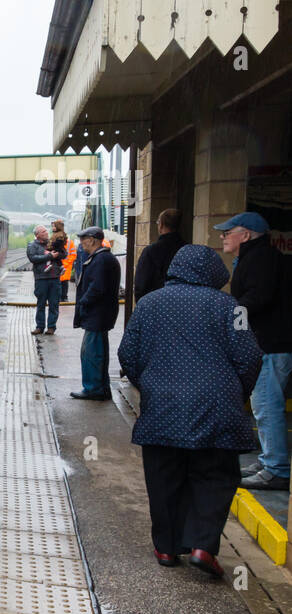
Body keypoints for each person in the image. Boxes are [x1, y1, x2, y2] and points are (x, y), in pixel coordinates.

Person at [117, 245, 263, 577]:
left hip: (162, 409)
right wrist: (237, 392)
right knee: (215, 476)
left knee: (163, 477)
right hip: (218, 408)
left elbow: (128, 353)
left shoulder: (149, 303)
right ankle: (202, 547)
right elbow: (250, 356)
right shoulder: (231, 306)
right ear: (214, 274)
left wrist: (150, 385)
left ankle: (167, 548)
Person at [218, 211, 292, 492]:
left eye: (228, 232)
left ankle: (276, 469)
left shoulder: (260, 259)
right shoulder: (255, 257)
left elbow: (256, 299)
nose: (222, 237)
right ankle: (269, 461)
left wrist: (231, 318)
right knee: (264, 406)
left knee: (266, 407)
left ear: (245, 235)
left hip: (270, 346)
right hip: (268, 344)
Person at [71, 226, 120, 400]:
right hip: (99, 315)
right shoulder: (102, 258)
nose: (81, 243)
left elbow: (97, 288)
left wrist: (83, 302)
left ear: (92, 240)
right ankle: (100, 387)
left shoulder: (101, 260)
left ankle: (94, 388)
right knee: (95, 352)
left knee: (92, 354)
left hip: (97, 314)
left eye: (83, 239)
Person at [133, 208, 186, 301]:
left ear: (161, 225)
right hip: (183, 303)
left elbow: (141, 286)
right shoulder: (187, 249)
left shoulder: (151, 251)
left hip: (156, 303)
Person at [26, 225, 63, 335]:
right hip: (41, 279)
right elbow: (33, 258)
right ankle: (40, 327)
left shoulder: (53, 243)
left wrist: (57, 255)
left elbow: (64, 254)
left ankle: (51, 327)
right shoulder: (32, 246)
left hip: (54, 278)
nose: (47, 232)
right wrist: (49, 256)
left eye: (46, 230)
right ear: (37, 235)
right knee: (41, 304)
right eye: (43, 231)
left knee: (54, 304)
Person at [51, 226, 73, 302]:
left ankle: (64, 297)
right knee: (58, 282)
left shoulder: (69, 243)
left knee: (65, 282)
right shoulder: (54, 241)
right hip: (58, 265)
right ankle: (59, 297)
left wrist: (66, 264)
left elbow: (73, 255)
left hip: (66, 266)